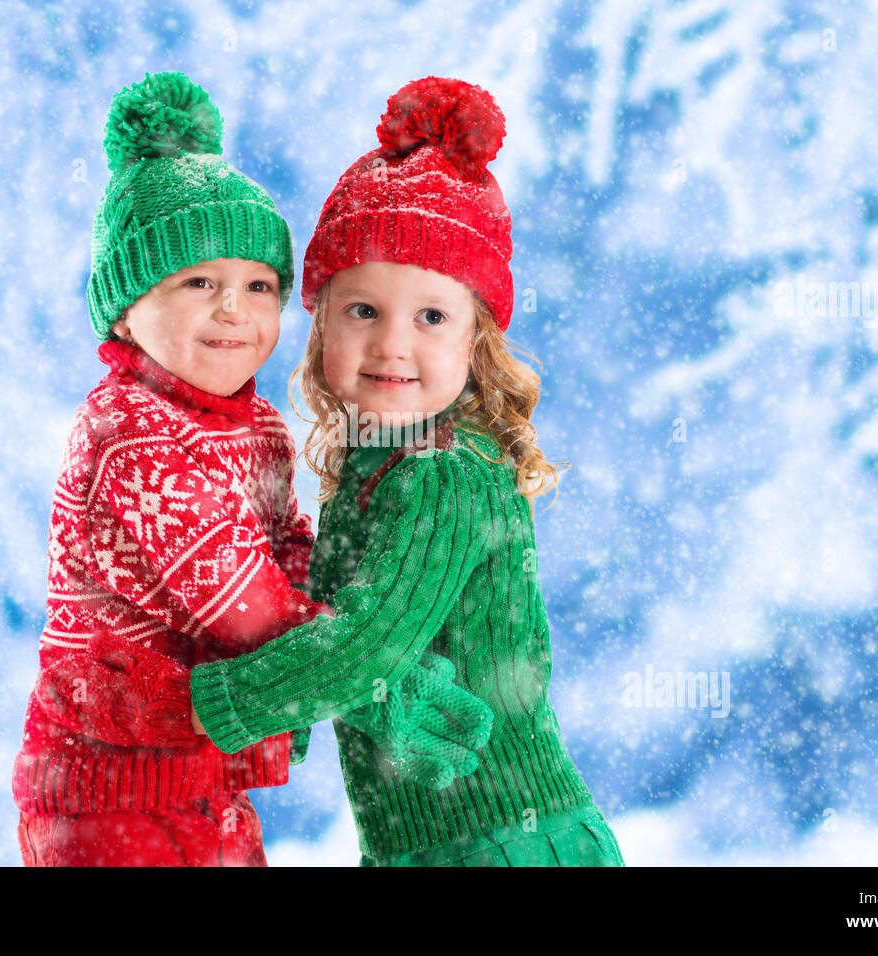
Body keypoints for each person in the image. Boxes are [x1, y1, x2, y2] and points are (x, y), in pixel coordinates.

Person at [11, 71, 490, 867]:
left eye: (259, 286)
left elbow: (283, 549)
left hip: (202, 768)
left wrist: (347, 603)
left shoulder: (252, 423)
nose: (234, 309)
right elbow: (244, 603)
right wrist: (377, 679)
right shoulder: (131, 435)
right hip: (109, 786)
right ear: (127, 309)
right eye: (199, 283)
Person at [183, 75, 628, 867]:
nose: (393, 344)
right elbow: (352, 643)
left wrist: (202, 711)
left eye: (430, 316)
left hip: (498, 845)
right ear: (320, 328)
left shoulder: (443, 473)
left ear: (476, 340)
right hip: (432, 844)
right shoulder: (378, 465)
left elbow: (363, 648)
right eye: (363, 311)